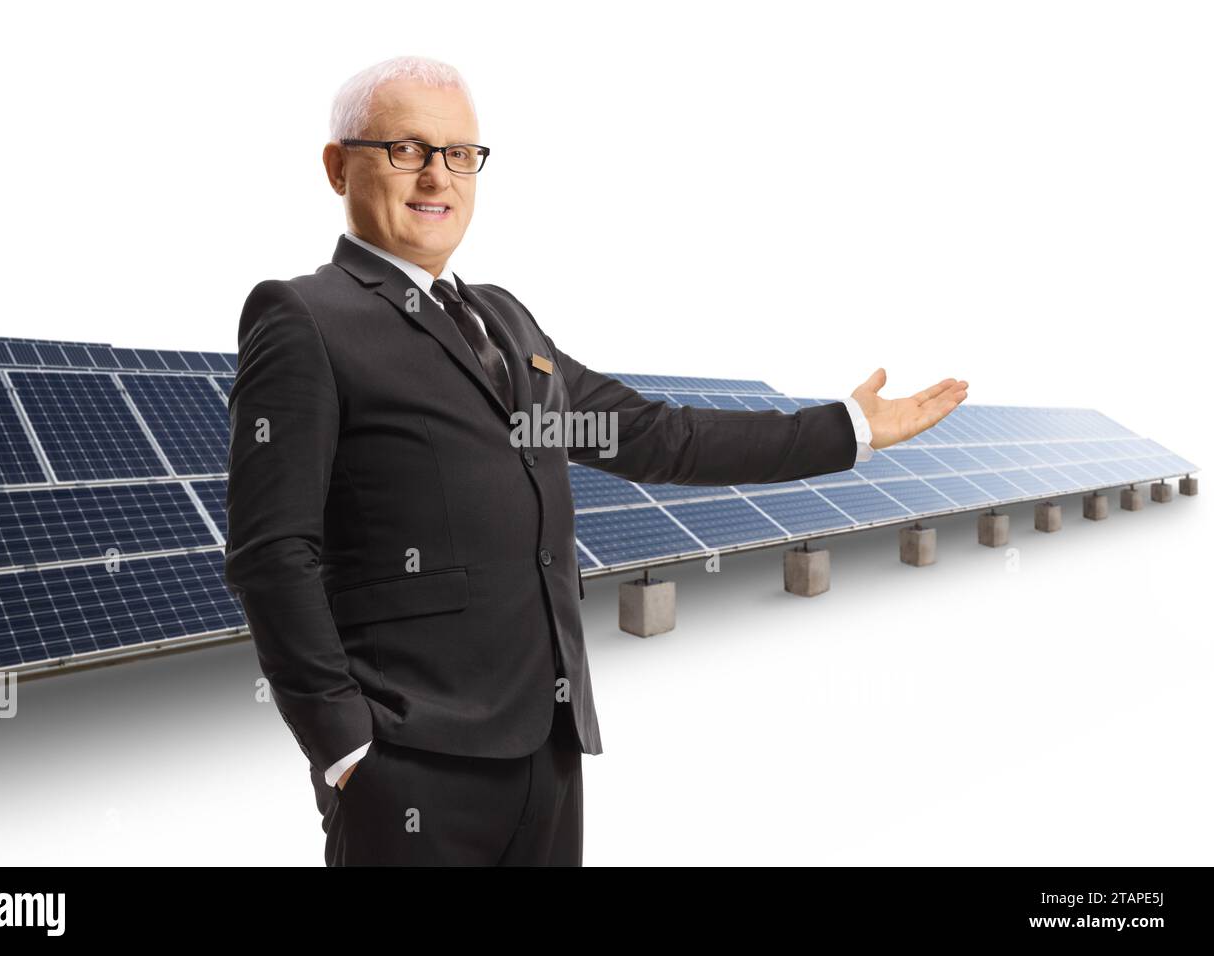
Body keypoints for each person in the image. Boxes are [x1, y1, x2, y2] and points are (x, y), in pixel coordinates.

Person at [223, 55, 968, 866]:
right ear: (339, 166)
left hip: (548, 748)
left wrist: (846, 429)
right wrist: (345, 750)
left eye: (460, 153)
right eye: (406, 149)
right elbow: (271, 553)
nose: (437, 175)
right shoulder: (306, 317)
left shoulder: (503, 320)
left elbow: (654, 435)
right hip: (411, 767)